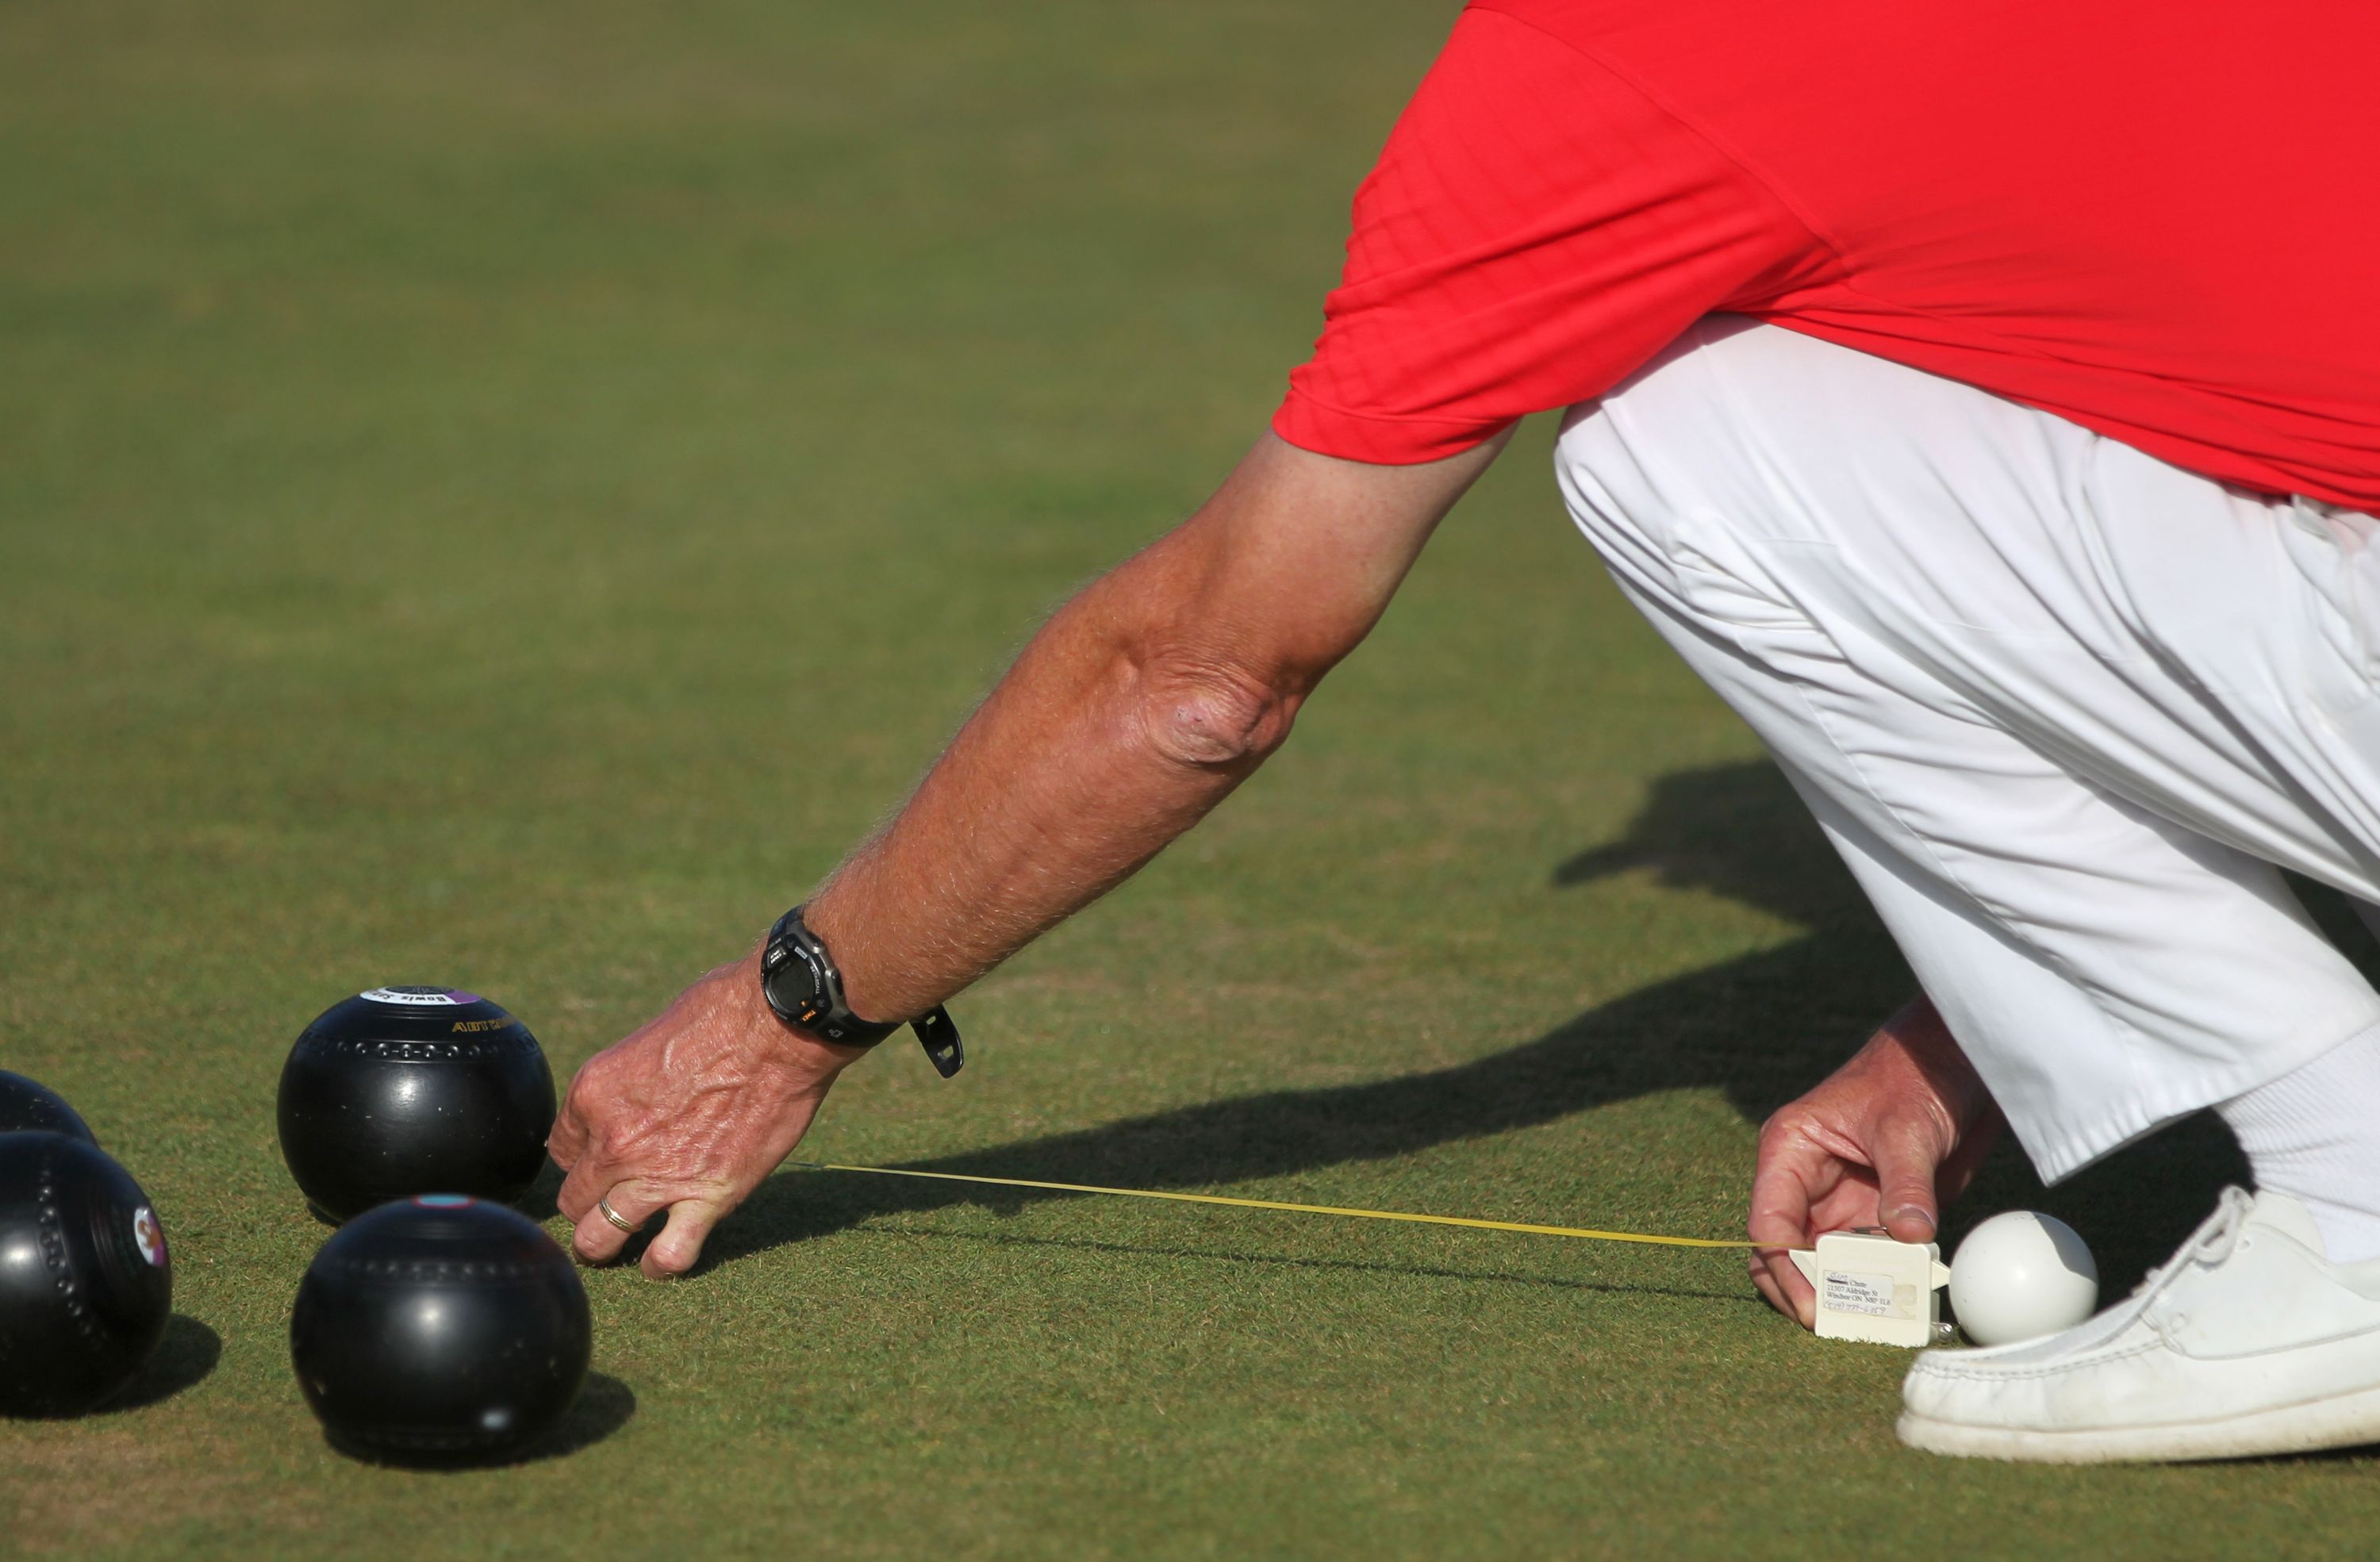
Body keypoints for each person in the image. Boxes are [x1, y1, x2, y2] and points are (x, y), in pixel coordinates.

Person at [546, 0, 2380, 1462]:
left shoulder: (1610, 58)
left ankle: (2359, 1204)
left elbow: (1202, 677)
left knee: (1679, 446)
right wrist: (1958, 1036)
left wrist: (776, 1023)